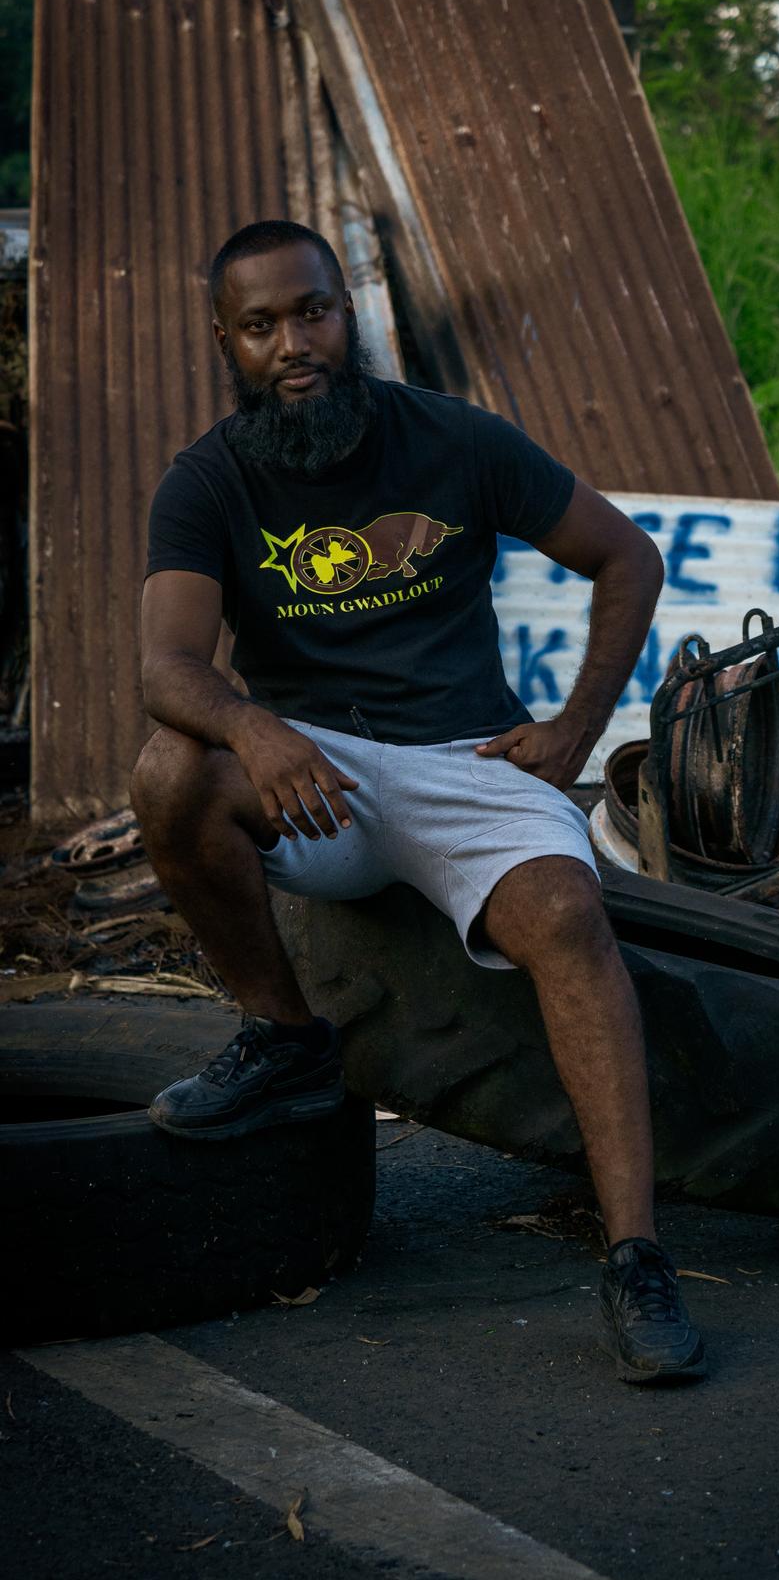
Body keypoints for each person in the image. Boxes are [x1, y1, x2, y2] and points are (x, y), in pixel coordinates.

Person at [132, 219, 705, 1386]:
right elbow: (167, 668)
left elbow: (626, 556)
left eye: (313, 312)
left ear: (350, 314)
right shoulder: (209, 480)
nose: (292, 342)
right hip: (317, 776)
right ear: (226, 342)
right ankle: (287, 1038)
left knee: (567, 916)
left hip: (467, 765)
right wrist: (256, 726)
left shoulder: (452, 438)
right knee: (167, 770)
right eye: (260, 325)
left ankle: (638, 1257)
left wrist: (578, 727)